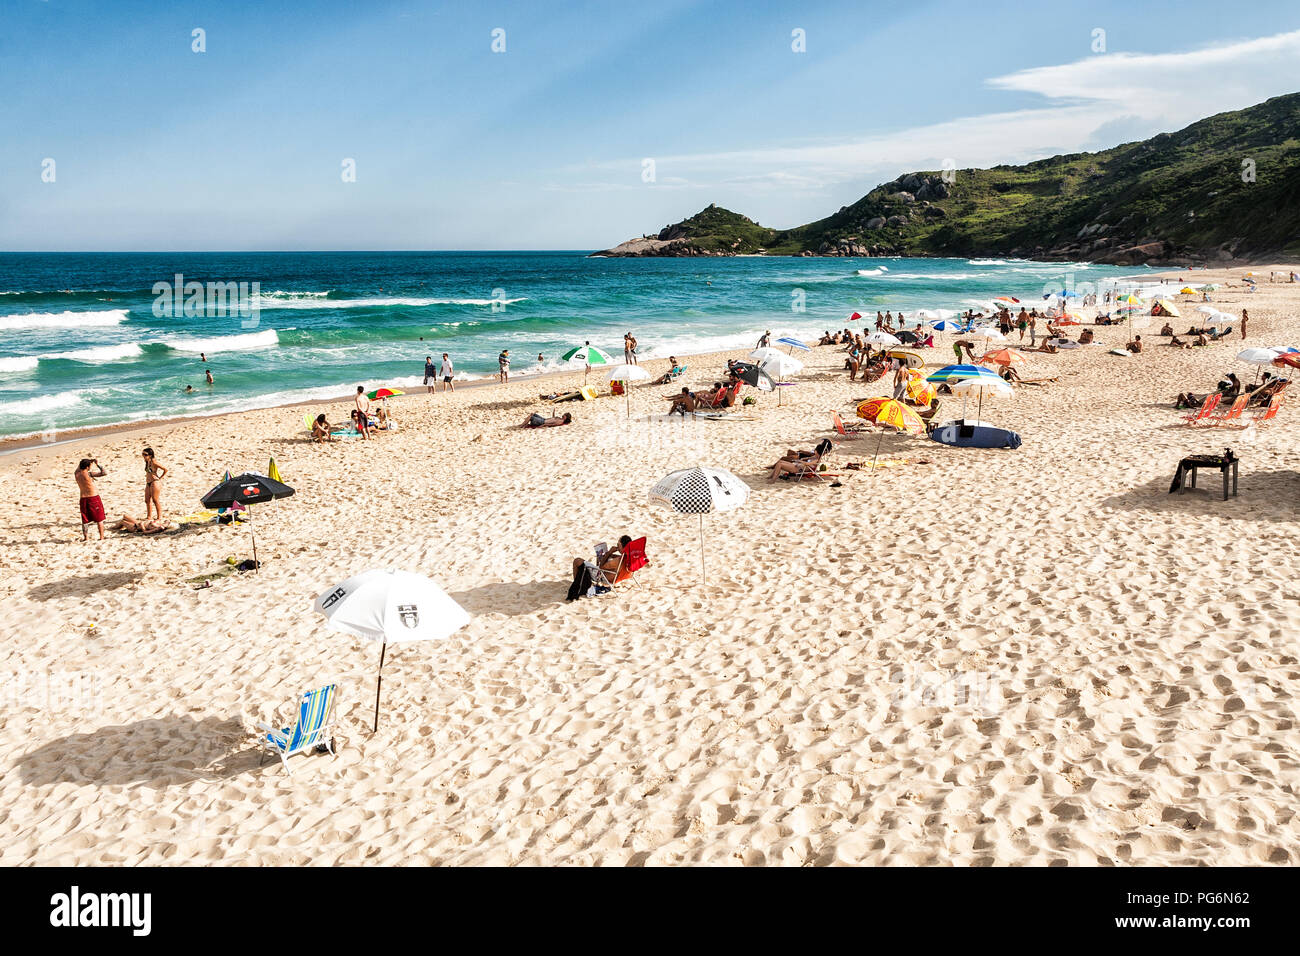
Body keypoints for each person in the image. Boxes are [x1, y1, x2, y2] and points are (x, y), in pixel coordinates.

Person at [75, 458, 107, 541]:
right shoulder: (89, 474)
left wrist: (85, 462)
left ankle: (86, 537)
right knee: (99, 519)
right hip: (93, 497)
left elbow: (79, 468)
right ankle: (102, 537)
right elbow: (104, 473)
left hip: (83, 498)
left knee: (85, 519)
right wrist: (98, 464)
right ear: (87, 467)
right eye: (90, 466)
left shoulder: (77, 474)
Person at [142, 447, 167, 520]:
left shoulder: (154, 462)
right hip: (148, 482)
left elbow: (165, 469)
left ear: (150, 455)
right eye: (143, 454)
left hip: (154, 482)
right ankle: (149, 516)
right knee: (147, 500)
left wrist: (160, 478)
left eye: (145, 454)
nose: (143, 456)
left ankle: (159, 517)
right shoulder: (147, 462)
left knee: (155, 500)